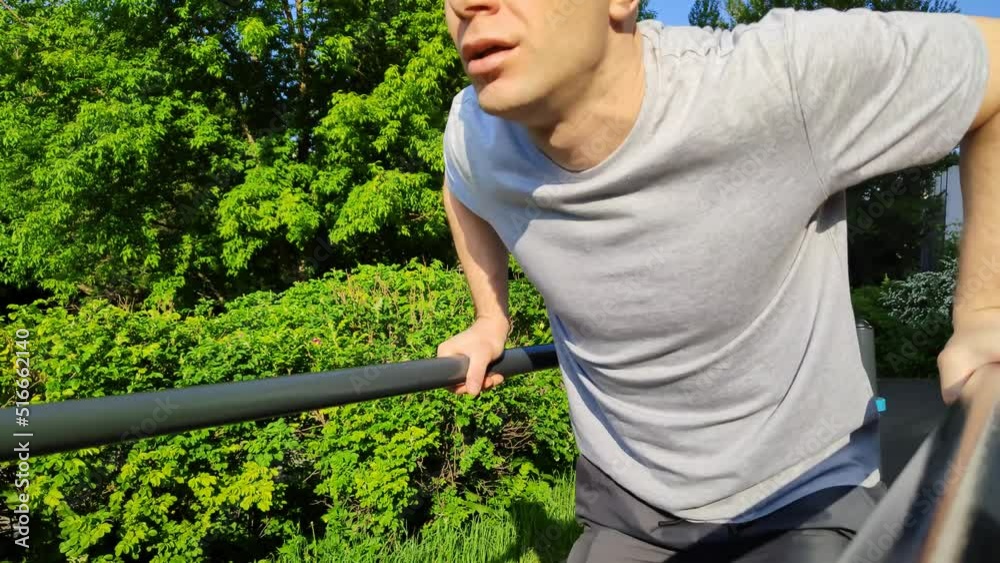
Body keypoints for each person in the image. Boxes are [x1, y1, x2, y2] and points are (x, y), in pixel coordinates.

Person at [434, 1, 1000, 561]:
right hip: (627, 510)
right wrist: (491, 317)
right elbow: (461, 187)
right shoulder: (475, 131)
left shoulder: (774, 80)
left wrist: (982, 313)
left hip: (805, 497)